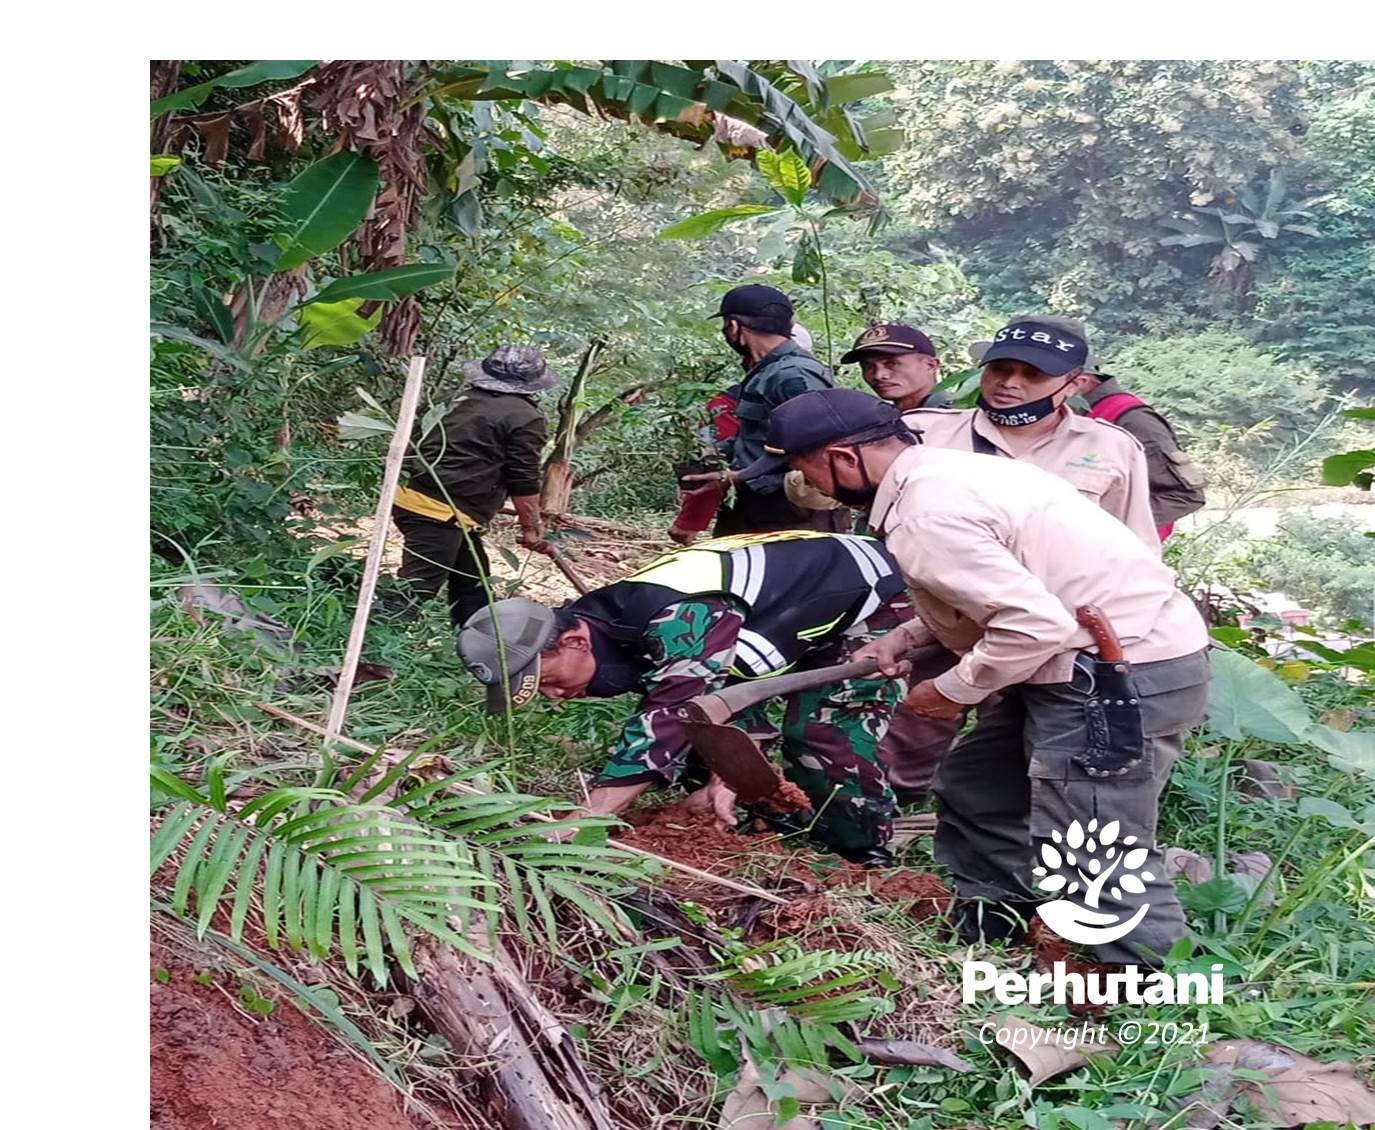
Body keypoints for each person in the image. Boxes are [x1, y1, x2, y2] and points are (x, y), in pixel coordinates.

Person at [739, 389, 1211, 965]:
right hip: (1089, 657)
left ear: (839, 457)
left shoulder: (926, 515)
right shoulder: (951, 472)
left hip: (1118, 671)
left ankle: (1142, 978)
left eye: (800, 466)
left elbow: (1034, 625)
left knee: (1092, 837)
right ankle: (998, 918)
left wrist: (951, 691)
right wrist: (911, 634)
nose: (805, 483)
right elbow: (1018, 585)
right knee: (980, 787)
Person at [456, 530, 911, 865]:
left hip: (874, 596)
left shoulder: (675, 615)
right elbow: (720, 692)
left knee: (820, 732)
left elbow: (673, 710)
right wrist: (727, 774)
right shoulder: (603, 622)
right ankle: (761, 809)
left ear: (574, 642)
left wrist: (590, 815)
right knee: (695, 739)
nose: (555, 697)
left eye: (549, 681)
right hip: (789, 607)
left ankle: (864, 851)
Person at [971, 316, 1207, 540]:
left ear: (1076, 381)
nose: (1010, 383)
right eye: (1000, 368)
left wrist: (1096, 533)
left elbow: (1184, 495)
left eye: (1037, 372)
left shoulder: (1130, 421)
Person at [387, 344, 554, 626]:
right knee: (416, 588)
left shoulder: (458, 400)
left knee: (471, 580)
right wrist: (530, 528)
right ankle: (373, 642)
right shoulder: (526, 417)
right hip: (441, 512)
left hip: (410, 497)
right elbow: (523, 479)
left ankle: (480, 637)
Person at [680, 286, 848, 535]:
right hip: (758, 507)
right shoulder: (766, 371)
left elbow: (819, 450)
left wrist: (744, 476)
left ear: (734, 327)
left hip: (792, 514)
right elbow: (760, 438)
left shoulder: (794, 374)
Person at [667, 325, 816, 546]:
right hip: (803, 517)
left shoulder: (726, 405)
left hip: (765, 517)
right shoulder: (823, 394)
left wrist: (689, 522)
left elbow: (716, 468)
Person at [840, 323, 954, 411]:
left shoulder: (960, 418)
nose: (878, 375)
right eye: (868, 366)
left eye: (891, 364)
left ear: (931, 365)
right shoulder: (883, 421)